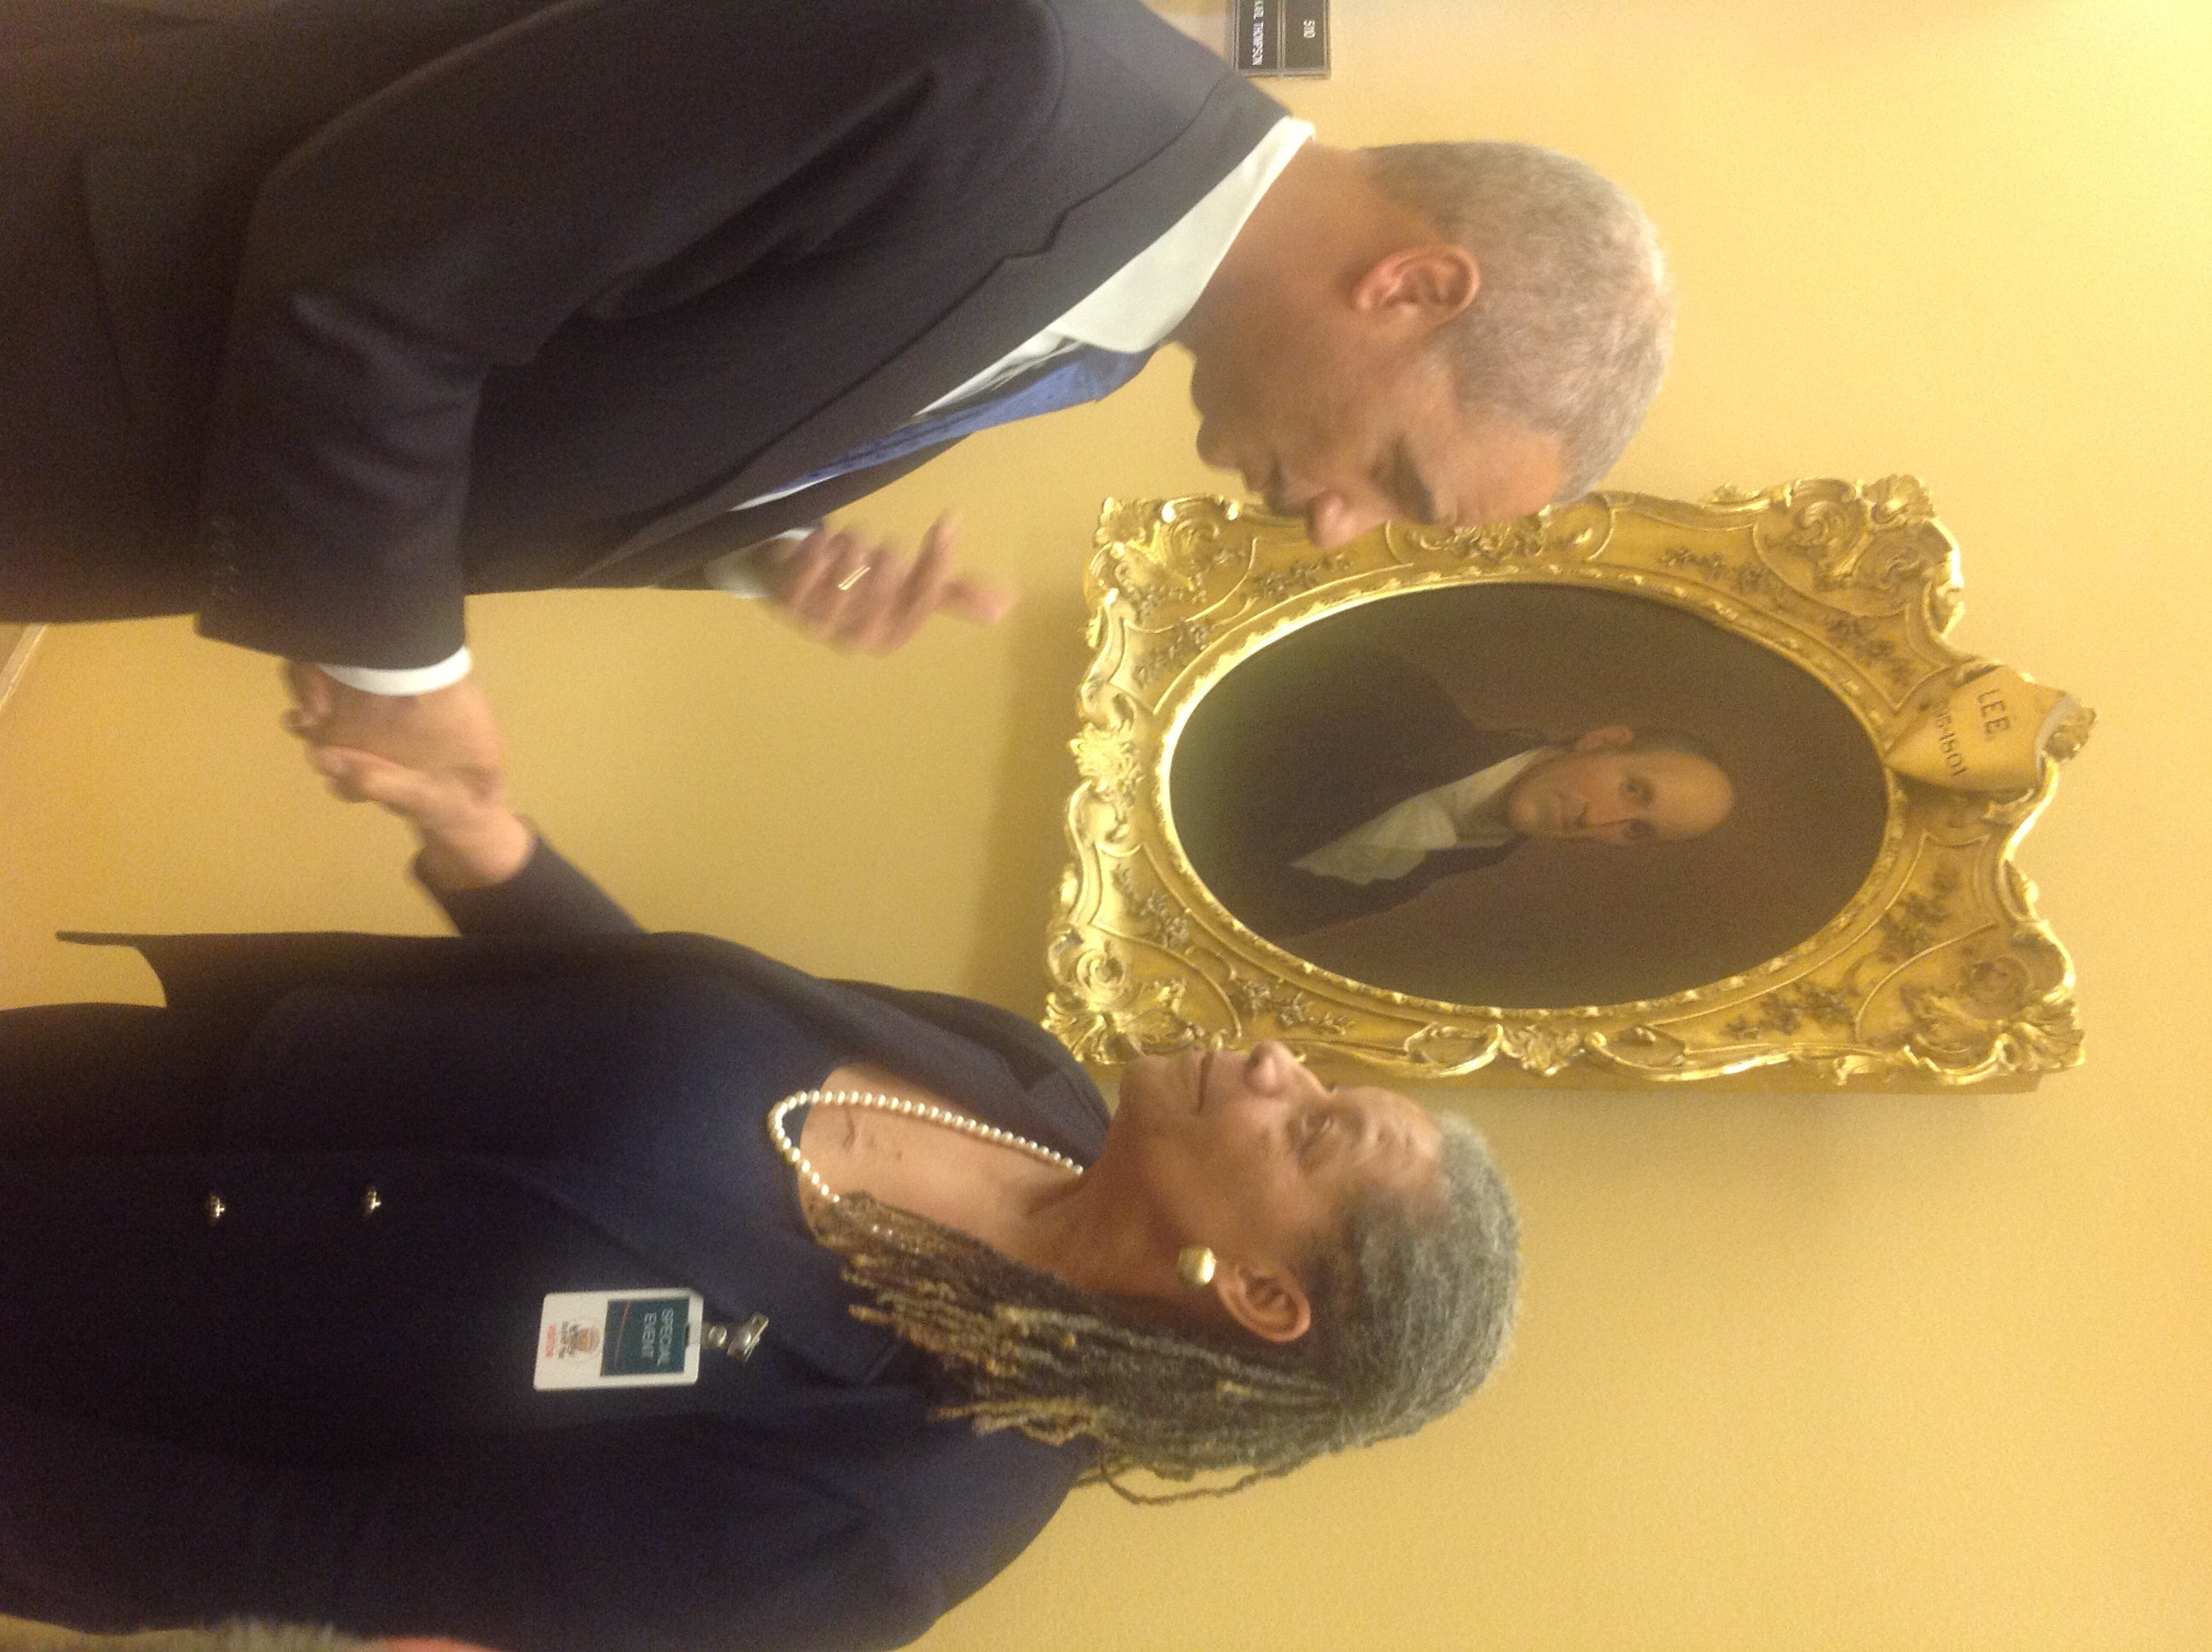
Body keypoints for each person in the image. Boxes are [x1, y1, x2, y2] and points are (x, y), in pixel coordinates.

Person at [0, 695, 1522, 1652]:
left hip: (98, 1363)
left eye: (1313, 1131)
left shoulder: (888, 1513)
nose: (1276, 1066)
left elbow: (316, 1558)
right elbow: (652, 1022)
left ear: (1260, 1296)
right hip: (169, 1093)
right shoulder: (1028, 1081)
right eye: (1322, 1085)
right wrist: (484, 841)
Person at [2, 0, 1674, 778]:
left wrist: (753, 543)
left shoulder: (1109, 332)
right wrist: (400, 665)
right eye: (1397, 478)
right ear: (1411, 287)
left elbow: (601, 335)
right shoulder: (996, 61)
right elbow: (382, 253)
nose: (1333, 529)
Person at [1173, 643, 1733, 940]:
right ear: (1602, 742)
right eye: (1633, 789)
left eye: (1636, 830)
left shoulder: (1455, 863)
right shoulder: (1383, 691)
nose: (1598, 822)